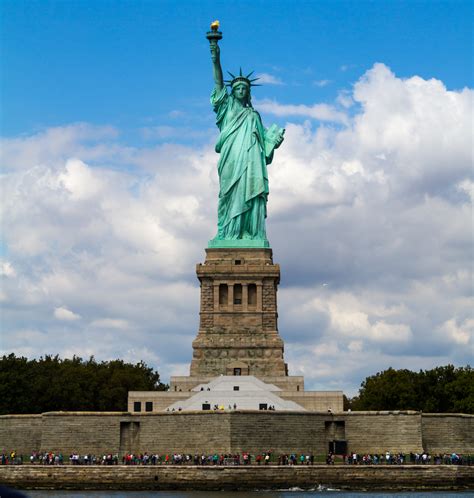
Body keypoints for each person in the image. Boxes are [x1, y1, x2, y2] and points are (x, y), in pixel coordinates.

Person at [209, 38, 284, 243]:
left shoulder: (254, 116)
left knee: (249, 192)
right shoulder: (227, 107)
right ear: (232, 92)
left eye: (244, 88)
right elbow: (218, 81)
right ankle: (227, 233)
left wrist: (273, 142)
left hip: (251, 162)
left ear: (248, 92)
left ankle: (251, 233)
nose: (241, 91)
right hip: (231, 158)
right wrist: (215, 56)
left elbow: (264, 147)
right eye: (238, 88)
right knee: (228, 194)